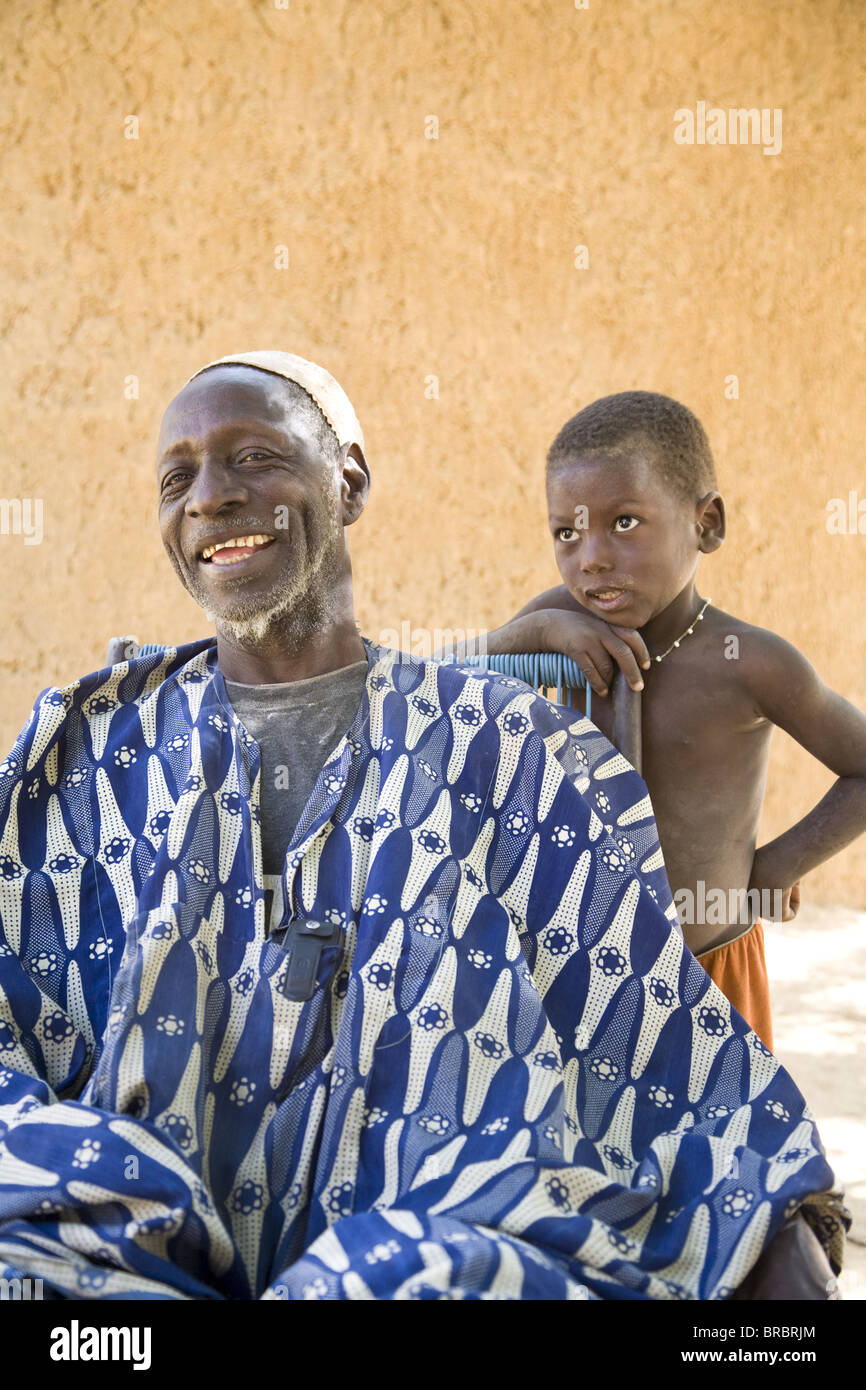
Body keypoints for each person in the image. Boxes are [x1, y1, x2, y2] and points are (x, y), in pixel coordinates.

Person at [0, 357, 846, 1300]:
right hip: (119, 1243)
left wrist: (765, 1212)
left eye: (253, 456)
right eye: (177, 477)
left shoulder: (506, 748)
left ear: (348, 481)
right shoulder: (92, 748)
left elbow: (645, 1040)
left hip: (432, 1239)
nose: (210, 498)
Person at [494, 391, 866, 1051]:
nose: (593, 558)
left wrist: (778, 866)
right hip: (571, 972)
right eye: (567, 533)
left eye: (626, 523)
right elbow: (440, 695)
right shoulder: (553, 626)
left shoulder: (750, 662)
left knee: (709, 1149)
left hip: (707, 972)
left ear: (707, 524)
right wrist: (532, 630)